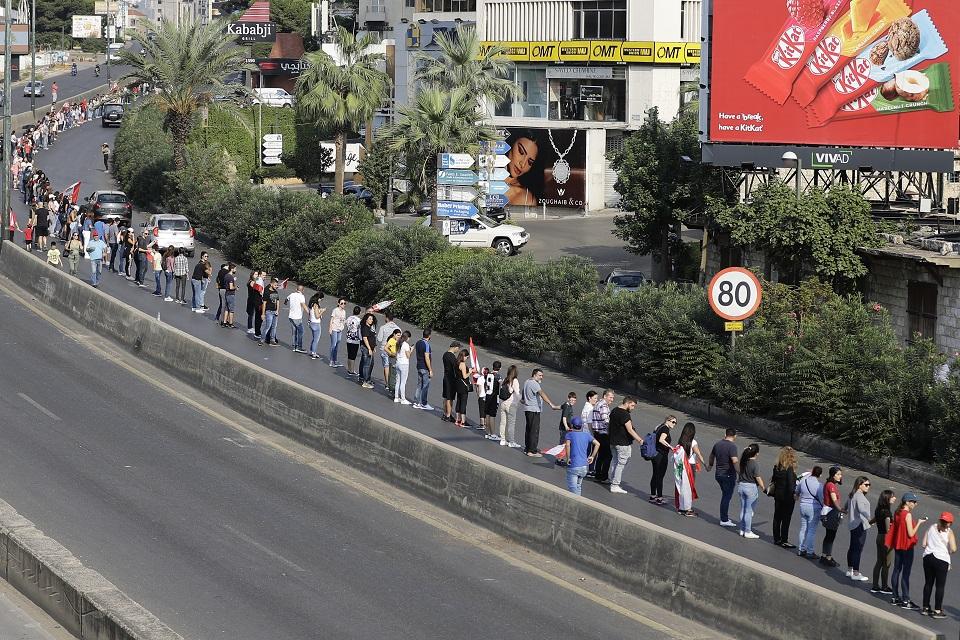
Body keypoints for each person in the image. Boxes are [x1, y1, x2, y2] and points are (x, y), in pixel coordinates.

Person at [888, 492, 926, 609]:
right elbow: (911, 533)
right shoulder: (907, 515)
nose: (915, 504)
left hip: (898, 545)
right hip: (907, 547)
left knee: (896, 570)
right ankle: (906, 600)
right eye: (913, 502)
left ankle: (895, 597)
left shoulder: (897, 512)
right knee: (906, 573)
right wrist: (919, 523)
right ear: (906, 502)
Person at [921, 512, 956, 618]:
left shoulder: (932, 527)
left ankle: (925, 608)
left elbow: (923, 543)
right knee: (940, 586)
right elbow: (954, 548)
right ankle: (937, 610)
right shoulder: (949, 532)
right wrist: (948, 551)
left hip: (928, 557)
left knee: (928, 583)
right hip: (941, 560)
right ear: (949, 523)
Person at [521, 369, 559, 456]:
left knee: (529, 429)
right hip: (534, 410)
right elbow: (541, 393)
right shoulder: (534, 383)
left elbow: (523, 391)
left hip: (528, 408)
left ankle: (528, 448)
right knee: (534, 430)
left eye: (542, 375)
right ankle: (532, 451)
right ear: (534, 375)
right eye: (540, 375)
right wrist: (551, 404)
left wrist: (523, 399)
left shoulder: (527, 381)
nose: (541, 377)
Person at [607, 396, 641, 494]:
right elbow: (630, 429)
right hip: (622, 443)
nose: (633, 408)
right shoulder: (625, 414)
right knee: (621, 464)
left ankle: (612, 480)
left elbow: (610, 425)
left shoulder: (614, 410)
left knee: (615, 462)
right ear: (627, 403)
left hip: (613, 442)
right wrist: (640, 440)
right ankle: (615, 484)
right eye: (632, 405)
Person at [707, 428, 739, 527]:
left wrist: (710, 466)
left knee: (725, 494)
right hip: (728, 475)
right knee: (726, 496)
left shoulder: (718, 444)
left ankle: (724, 518)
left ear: (725, 434)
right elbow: (734, 461)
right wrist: (741, 474)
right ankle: (724, 519)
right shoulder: (732, 446)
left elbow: (711, 456)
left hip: (718, 474)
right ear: (735, 436)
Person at [844, 476, 872, 582]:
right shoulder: (859, 496)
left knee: (852, 547)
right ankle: (856, 573)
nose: (868, 487)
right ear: (859, 485)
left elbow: (846, 505)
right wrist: (869, 518)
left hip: (852, 524)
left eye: (869, 485)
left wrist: (844, 510)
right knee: (858, 549)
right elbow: (861, 509)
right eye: (866, 484)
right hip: (860, 524)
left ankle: (849, 569)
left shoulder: (852, 494)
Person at [770, 446, 798, 547]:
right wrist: (794, 494)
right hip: (787, 497)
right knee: (786, 519)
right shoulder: (789, 469)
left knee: (777, 517)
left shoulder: (777, 467)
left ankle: (776, 538)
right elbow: (791, 485)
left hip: (778, 495)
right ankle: (784, 539)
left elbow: (774, 480)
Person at [564, 416, 599, 496]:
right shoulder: (587, 435)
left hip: (574, 465)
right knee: (578, 487)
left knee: (572, 489)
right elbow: (597, 444)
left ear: (572, 426)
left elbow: (568, 445)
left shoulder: (570, 435)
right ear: (582, 426)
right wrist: (592, 456)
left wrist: (568, 458)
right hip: (584, 466)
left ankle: (574, 506)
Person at [871, 489, 896, 595]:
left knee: (879, 562)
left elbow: (874, 519)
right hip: (886, 539)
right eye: (892, 496)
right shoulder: (887, 512)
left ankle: (875, 586)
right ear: (887, 498)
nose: (895, 498)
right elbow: (888, 529)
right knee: (887, 563)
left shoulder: (878, 509)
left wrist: (869, 522)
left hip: (879, 536)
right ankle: (884, 586)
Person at [737, 443, 764, 539]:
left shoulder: (743, 461)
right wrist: (763, 488)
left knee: (743, 509)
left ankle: (742, 529)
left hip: (741, 486)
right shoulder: (755, 464)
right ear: (756, 453)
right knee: (749, 510)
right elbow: (757, 477)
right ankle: (747, 531)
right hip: (751, 488)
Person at [796, 465, 823, 559]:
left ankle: (801, 549)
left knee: (803, 528)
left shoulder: (804, 481)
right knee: (811, 530)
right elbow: (822, 499)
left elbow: (797, 491)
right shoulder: (819, 485)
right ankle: (810, 551)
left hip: (803, 506)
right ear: (820, 475)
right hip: (814, 508)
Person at [673, 422, 700, 516]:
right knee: (689, 487)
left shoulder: (681, 441)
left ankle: (681, 507)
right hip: (690, 466)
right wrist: (705, 465)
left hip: (681, 466)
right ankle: (688, 509)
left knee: (681, 486)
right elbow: (698, 454)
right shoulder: (693, 442)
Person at [649, 415, 677, 505]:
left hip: (654, 454)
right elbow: (661, 440)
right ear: (667, 421)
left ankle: (653, 496)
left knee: (655, 475)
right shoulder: (665, 429)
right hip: (661, 455)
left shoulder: (659, 426)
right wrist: (670, 447)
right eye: (673, 422)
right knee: (660, 476)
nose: (674, 424)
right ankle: (659, 498)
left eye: (675, 423)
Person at [819, 466, 843, 568]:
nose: (840, 476)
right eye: (838, 474)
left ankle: (824, 556)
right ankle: (828, 557)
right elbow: (834, 500)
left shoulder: (829, 484)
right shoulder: (831, 486)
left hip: (828, 512)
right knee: (831, 536)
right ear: (833, 475)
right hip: (831, 513)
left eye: (840, 474)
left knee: (828, 535)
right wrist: (841, 509)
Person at [591, 390, 614, 483]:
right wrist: (612, 429)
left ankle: (598, 474)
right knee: (608, 456)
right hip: (603, 433)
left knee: (600, 455)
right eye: (610, 397)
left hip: (597, 433)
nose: (612, 400)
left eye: (612, 398)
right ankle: (603, 477)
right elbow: (606, 420)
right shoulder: (604, 405)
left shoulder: (598, 403)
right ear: (605, 396)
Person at [497, 365, 521, 448]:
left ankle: (502, 440)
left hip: (503, 403)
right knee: (511, 424)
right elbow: (517, 394)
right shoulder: (515, 381)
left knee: (503, 422)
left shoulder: (505, 380)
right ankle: (511, 441)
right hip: (511, 405)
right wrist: (522, 401)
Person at [377, 311, 400, 393]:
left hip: (384, 349)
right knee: (393, 368)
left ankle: (387, 384)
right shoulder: (398, 328)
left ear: (386, 318)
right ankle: (392, 384)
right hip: (394, 351)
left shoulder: (383, 327)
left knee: (386, 366)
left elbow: (379, 339)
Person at [441, 341, 462, 422]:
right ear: (455, 347)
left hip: (445, 377)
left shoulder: (445, 354)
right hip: (451, 379)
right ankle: (448, 415)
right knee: (450, 398)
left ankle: (444, 413)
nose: (458, 350)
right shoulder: (452, 356)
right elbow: (456, 368)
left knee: (445, 397)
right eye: (458, 348)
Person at [258, 278, 281, 346]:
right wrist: (263, 314)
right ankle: (262, 339)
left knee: (274, 326)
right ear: (271, 284)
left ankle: (272, 340)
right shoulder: (267, 292)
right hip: (269, 311)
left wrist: (277, 310)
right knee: (268, 326)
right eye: (275, 285)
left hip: (274, 312)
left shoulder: (276, 292)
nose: (276, 286)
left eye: (277, 285)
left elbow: (278, 302)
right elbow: (264, 303)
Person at [556, 392, 577, 464]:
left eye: (574, 400)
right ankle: (559, 459)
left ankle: (560, 458)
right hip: (564, 429)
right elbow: (564, 418)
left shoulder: (566, 404)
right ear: (568, 399)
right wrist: (566, 426)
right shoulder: (567, 407)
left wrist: (554, 407)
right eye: (571, 400)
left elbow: (560, 407)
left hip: (566, 428)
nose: (573, 402)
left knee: (565, 443)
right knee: (563, 444)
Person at [285, 284, 308, 353]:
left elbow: (286, 299)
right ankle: (299, 347)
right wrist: (309, 313)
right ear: (303, 290)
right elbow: (303, 305)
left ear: (296, 289)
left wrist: (286, 303)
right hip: (297, 317)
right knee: (301, 331)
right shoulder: (301, 296)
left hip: (291, 316)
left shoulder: (292, 294)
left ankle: (294, 346)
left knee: (294, 331)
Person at [482, 362, 502, 440]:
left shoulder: (488, 374)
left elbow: (485, 384)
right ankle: (493, 433)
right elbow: (501, 384)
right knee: (492, 415)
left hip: (488, 394)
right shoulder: (498, 376)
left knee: (487, 414)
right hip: (494, 396)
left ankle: (487, 433)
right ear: (499, 368)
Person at [580, 390, 598, 477]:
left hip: (584, 431)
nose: (596, 400)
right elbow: (590, 423)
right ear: (589, 398)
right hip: (589, 433)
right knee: (591, 451)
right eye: (595, 398)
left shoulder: (585, 407)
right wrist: (593, 433)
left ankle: (584, 468)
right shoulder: (590, 409)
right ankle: (590, 470)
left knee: (586, 451)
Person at [358, 312, 377, 388]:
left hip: (370, 348)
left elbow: (372, 338)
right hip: (366, 348)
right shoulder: (365, 327)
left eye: (372, 319)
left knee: (369, 363)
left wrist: (373, 347)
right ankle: (365, 381)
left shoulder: (369, 327)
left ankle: (366, 379)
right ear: (366, 320)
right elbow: (365, 338)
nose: (371, 320)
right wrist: (369, 348)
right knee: (367, 365)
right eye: (369, 319)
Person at [394, 330, 413, 404]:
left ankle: (396, 397)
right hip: (404, 364)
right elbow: (408, 356)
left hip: (398, 362)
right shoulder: (406, 345)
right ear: (407, 337)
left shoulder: (398, 342)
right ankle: (403, 399)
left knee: (398, 381)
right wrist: (411, 350)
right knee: (403, 382)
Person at [454, 349, 471, 427]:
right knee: (463, 402)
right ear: (464, 356)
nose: (467, 359)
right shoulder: (463, 364)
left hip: (457, 384)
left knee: (459, 401)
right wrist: (470, 372)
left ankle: (457, 419)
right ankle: (463, 421)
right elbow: (464, 376)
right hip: (463, 385)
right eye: (467, 357)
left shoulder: (456, 363)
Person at [307, 293, 327, 359]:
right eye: (321, 299)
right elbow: (317, 316)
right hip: (316, 324)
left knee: (314, 338)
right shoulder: (316, 305)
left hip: (311, 323)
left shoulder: (311, 304)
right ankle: (314, 352)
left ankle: (311, 351)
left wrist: (320, 310)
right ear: (319, 298)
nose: (321, 300)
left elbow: (311, 313)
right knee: (316, 339)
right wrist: (322, 311)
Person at [344, 306, 362, 377]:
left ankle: (349, 368)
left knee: (349, 354)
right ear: (359, 312)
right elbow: (359, 329)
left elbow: (346, 324)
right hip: (355, 339)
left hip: (348, 338)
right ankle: (352, 370)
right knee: (353, 356)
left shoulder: (349, 318)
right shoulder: (359, 320)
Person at [328, 297, 346, 367]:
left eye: (344, 303)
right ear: (338, 304)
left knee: (337, 345)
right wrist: (330, 328)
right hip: (334, 328)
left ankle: (335, 360)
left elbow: (343, 320)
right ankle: (331, 361)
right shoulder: (335, 310)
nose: (343, 305)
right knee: (333, 345)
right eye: (342, 303)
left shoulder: (344, 312)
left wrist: (344, 324)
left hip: (340, 329)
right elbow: (332, 319)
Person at [222, 263, 237, 328]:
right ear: (232, 269)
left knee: (226, 308)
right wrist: (236, 288)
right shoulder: (230, 277)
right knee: (231, 309)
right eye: (235, 269)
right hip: (231, 294)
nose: (236, 270)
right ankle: (230, 323)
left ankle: (224, 322)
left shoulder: (226, 276)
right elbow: (231, 287)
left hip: (226, 293)